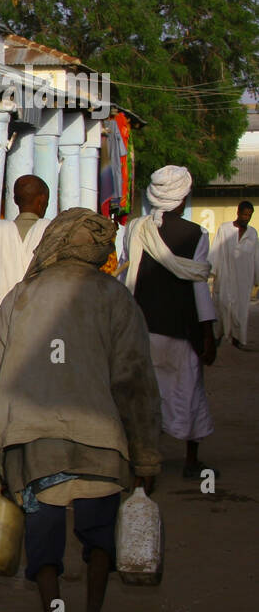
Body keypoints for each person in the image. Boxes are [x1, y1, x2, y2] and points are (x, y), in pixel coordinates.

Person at [0, 209, 161, 612]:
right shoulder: (114, 298)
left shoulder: (18, 299)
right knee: (99, 541)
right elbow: (135, 381)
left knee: (44, 552)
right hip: (100, 441)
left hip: (33, 445)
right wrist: (146, 455)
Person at [121, 166, 218, 478]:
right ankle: (191, 462)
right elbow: (199, 287)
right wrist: (207, 333)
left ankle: (143, 459)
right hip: (181, 329)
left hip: (141, 327)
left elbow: (128, 275)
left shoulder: (134, 229)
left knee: (144, 393)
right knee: (188, 390)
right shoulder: (195, 234)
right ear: (183, 195)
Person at [0, 174, 52, 371]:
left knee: (0, 395)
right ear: (42, 201)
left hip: (0, 334)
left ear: (15, 200)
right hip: (45, 335)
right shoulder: (53, 235)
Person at [208, 200, 258, 349]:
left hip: (243, 279)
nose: (246, 218)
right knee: (221, 305)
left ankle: (239, 339)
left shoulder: (252, 233)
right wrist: (213, 271)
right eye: (244, 214)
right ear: (238, 212)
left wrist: (256, 278)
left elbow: (256, 257)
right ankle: (217, 336)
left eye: (249, 215)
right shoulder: (225, 229)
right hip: (225, 276)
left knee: (241, 310)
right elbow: (216, 249)